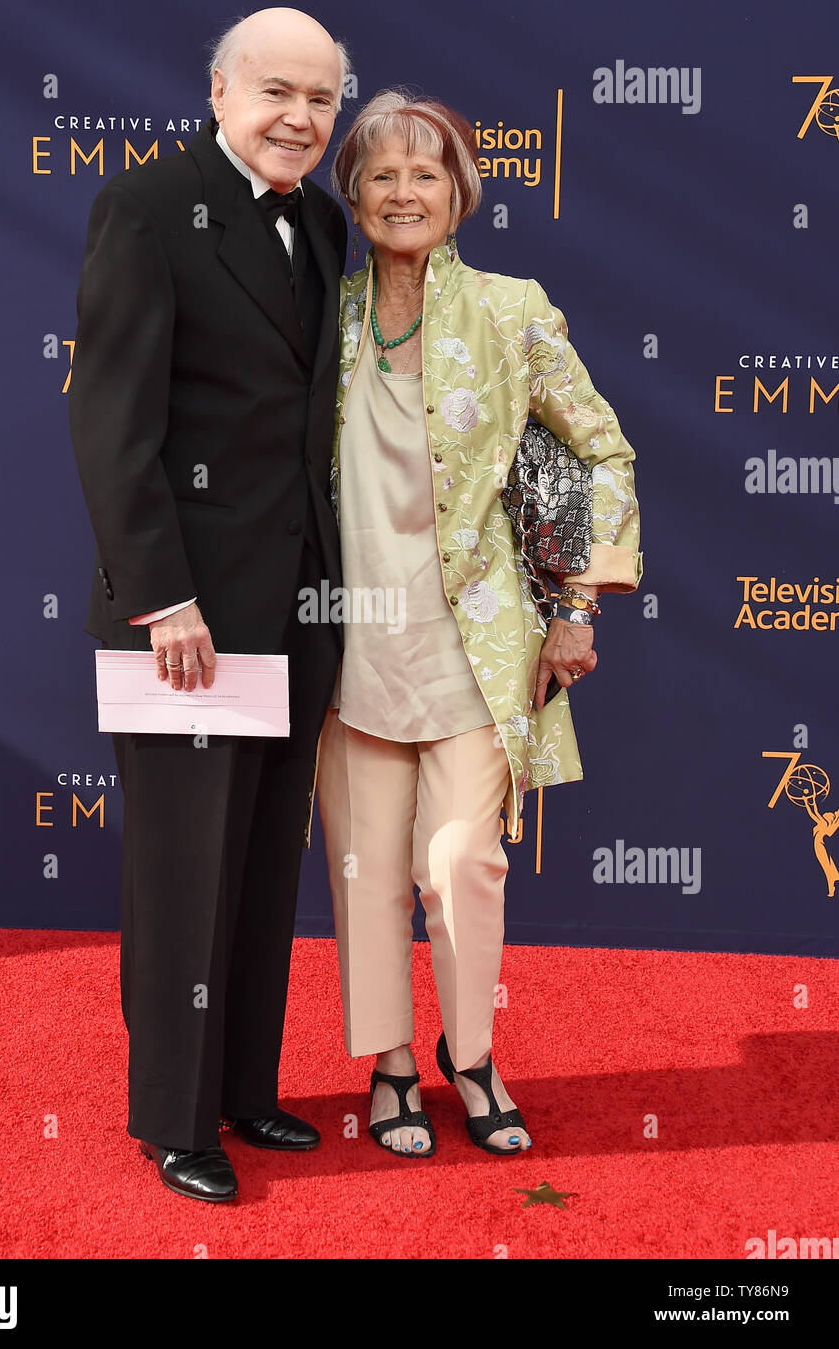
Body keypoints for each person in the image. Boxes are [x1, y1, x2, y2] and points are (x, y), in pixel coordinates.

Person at [316, 90, 642, 1157]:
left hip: (474, 644)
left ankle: (470, 1054)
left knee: (461, 862)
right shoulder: (320, 312)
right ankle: (390, 1064)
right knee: (365, 866)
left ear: (459, 192)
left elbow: (599, 449)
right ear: (352, 195)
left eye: (426, 173)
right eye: (381, 174)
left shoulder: (511, 309)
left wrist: (577, 604)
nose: (403, 192)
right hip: (344, 643)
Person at [68, 9, 349, 1202]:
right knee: (186, 868)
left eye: (322, 101)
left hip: (298, 603)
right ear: (221, 90)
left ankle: (242, 1089)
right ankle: (172, 1120)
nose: (299, 118)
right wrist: (162, 596)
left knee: (256, 867)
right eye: (277, 91)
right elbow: (110, 422)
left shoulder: (323, 221)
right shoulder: (148, 204)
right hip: (186, 619)